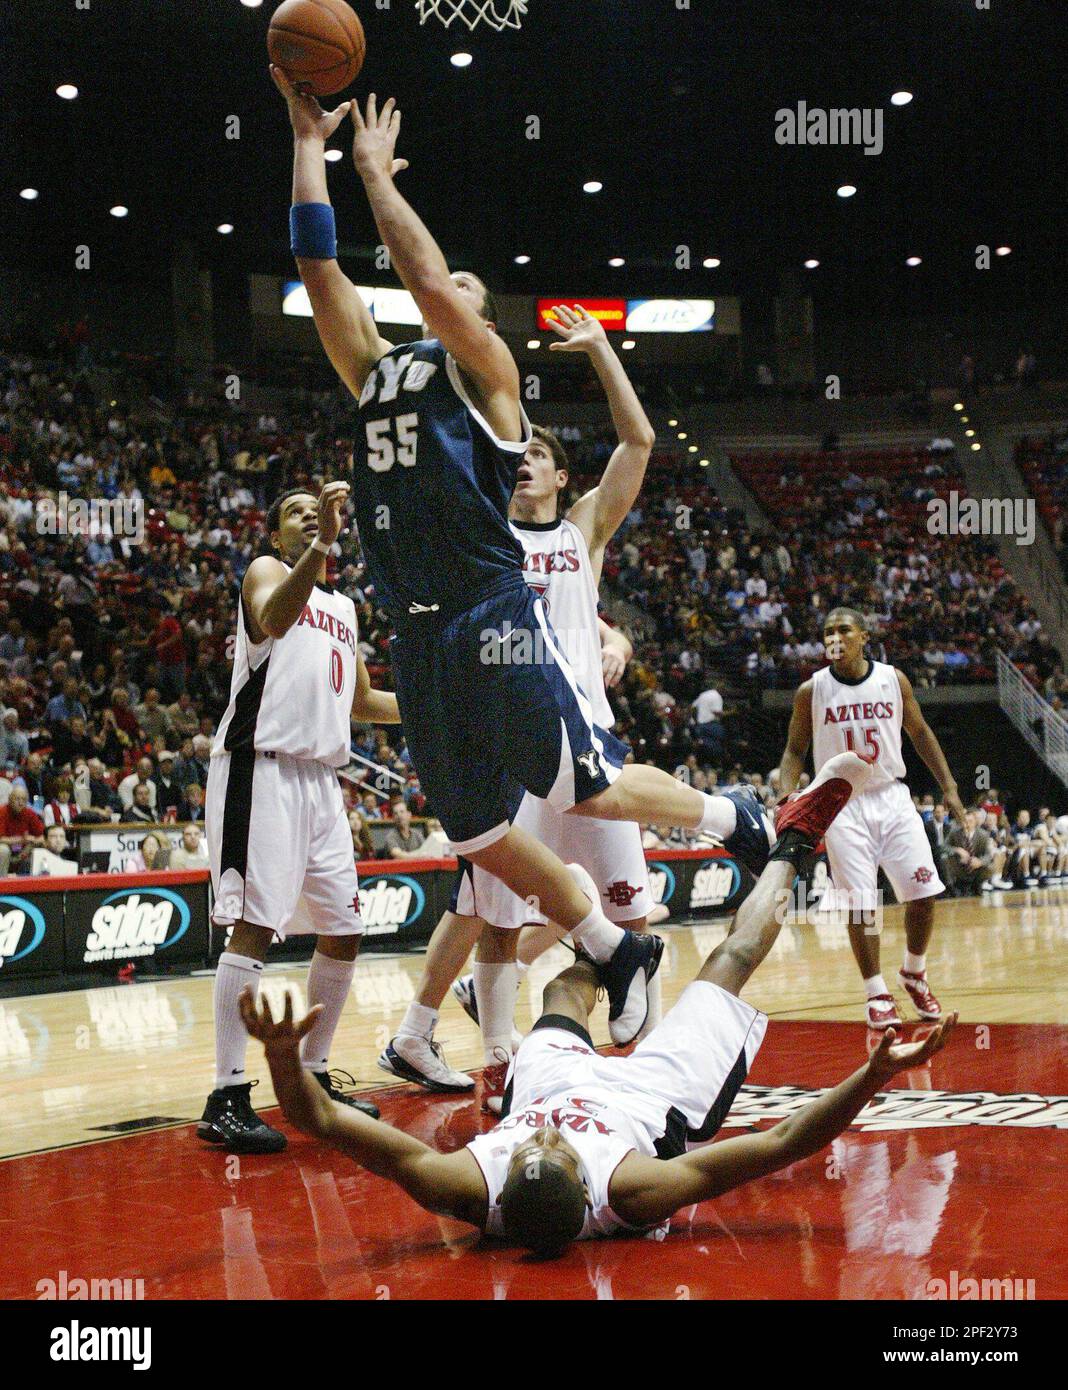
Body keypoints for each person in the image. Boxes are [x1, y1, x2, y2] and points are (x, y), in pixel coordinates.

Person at [274, 75, 776, 1072]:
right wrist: (303, 146)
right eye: (444, 286)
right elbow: (318, 265)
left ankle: (734, 816)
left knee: (584, 786)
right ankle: (614, 949)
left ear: (481, 318)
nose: (445, 291)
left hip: (486, 612)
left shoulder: (492, 378)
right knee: (476, 835)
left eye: (465, 290)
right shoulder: (377, 372)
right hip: (418, 630)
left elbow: (423, 279)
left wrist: (373, 175)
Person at [243, 751, 956, 1257]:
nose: (546, 1137)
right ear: (588, 1193)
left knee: (559, 995)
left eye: (531, 1145)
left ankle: (608, 951)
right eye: (555, 1149)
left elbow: (322, 1119)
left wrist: (280, 1057)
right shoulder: (634, 1189)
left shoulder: (462, 1184)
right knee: (730, 963)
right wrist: (872, 1075)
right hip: (653, 1102)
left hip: (557, 1083)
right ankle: (795, 840)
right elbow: (781, 1143)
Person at [378, 307, 771, 1105]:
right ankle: (499, 1064)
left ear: (563, 478)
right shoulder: (484, 540)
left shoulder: (583, 530)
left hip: (584, 736)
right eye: (516, 453)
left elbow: (639, 442)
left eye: (540, 455)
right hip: (515, 746)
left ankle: (645, 1068)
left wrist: (599, 351)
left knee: (631, 919)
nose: (524, 462)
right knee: (499, 919)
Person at [199, 481, 402, 1155]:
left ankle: (312, 1077)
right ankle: (226, 1096)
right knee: (254, 927)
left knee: (344, 929)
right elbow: (275, 619)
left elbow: (362, 701)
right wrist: (321, 548)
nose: (310, 515)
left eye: (317, 511)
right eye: (295, 511)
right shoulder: (266, 573)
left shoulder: (343, 607)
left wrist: (440, 704)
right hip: (260, 767)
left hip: (321, 779)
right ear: (276, 532)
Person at [778, 607, 965, 1028]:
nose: (835, 637)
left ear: (864, 636)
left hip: (892, 796)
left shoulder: (893, 680)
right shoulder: (811, 690)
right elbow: (794, 750)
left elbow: (920, 732)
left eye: (844, 629)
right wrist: (786, 798)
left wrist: (949, 786)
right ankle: (876, 991)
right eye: (828, 631)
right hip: (841, 803)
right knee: (861, 903)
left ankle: (913, 973)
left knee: (923, 892)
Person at [941, 809, 994, 896]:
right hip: (960, 866)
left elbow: (988, 855)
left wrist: (980, 862)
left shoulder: (983, 835)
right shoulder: (955, 832)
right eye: (965, 821)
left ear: (975, 822)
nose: (967, 824)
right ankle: (951, 888)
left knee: (990, 867)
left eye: (970, 821)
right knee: (944, 858)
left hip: (976, 867)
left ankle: (978, 885)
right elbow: (943, 847)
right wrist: (957, 850)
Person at [0, 784, 46, 875]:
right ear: (10, 799)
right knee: (3, 850)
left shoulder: (30, 813)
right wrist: (21, 840)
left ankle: (33, 881)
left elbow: (44, 836)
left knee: (43, 845)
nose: (21, 803)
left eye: (24, 800)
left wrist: (34, 840)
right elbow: (1, 839)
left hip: (24, 850)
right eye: (17, 799)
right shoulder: (2, 812)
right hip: (7, 848)